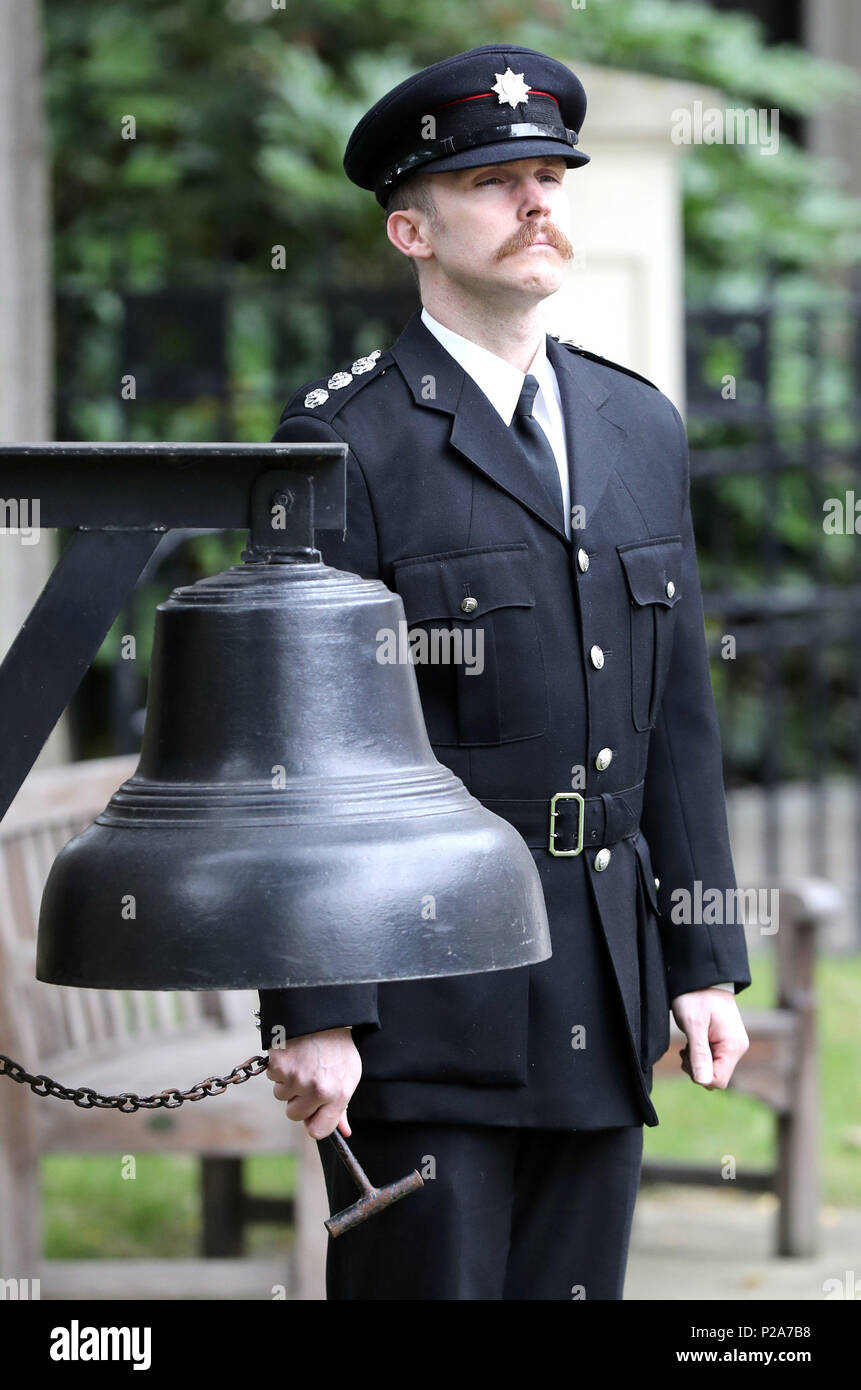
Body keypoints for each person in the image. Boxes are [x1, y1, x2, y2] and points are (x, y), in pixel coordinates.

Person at [258, 43, 751, 1301]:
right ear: (409, 227)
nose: (536, 201)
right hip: (424, 1005)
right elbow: (298, 745)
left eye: (550, 175)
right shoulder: (342, 443)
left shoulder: (637, 422)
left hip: (602, 973)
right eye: (493, 179)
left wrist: (701, 957)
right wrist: (315, 1008)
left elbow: (676, 717)